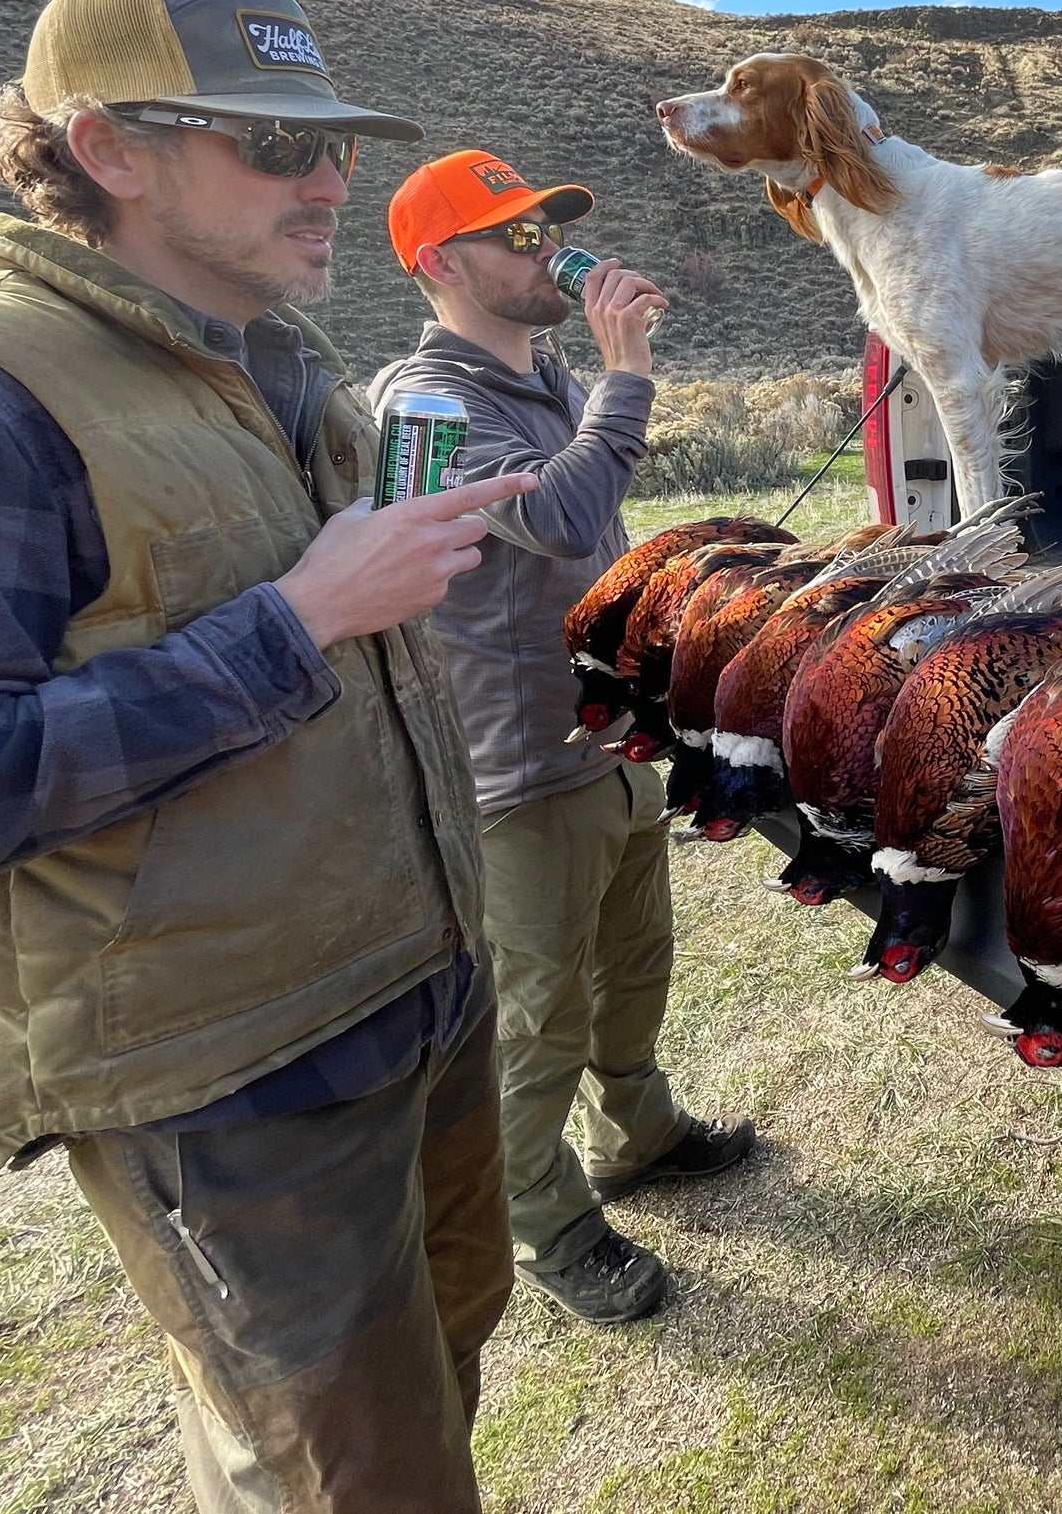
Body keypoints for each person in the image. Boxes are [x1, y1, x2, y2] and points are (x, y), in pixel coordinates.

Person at [0, 0, 534, 1512]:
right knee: (345, 1479)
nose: (329, 180)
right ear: (107, 147)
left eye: (341, 147)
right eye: (275, 143)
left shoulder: (287, 367)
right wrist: (296, 621)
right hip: (238, 1084)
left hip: (420, 992)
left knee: (439, 1381)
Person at [374, 151, 756, 1329]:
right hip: (518, 767)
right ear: (440, 263)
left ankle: (638, 1132)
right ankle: (545, 1220)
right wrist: (626, 376)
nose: (546, 251)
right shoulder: (423, 405)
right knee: (536, 1015)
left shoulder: (542, 385)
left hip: (611, 742)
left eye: (548, 228)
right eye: (515, 236)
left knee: (633, 965)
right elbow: (556, 517)